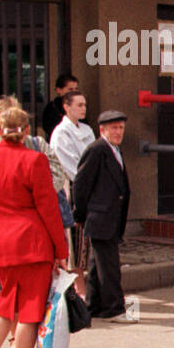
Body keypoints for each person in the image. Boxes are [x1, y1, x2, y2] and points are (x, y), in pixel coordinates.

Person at [0, 107, 69, 348]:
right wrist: (61, 251)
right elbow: (49, 210)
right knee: (30, 306)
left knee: (5, 303)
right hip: (31, 241)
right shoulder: (35, 160)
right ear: (27, 131)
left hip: (0, 238)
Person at [72, 110, 133, 320]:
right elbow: (81, 184)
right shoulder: (97, 150)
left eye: (121, 128)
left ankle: (93, 305)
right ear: (102, 130)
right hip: (100, 216)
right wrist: (79, 214)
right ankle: (114, 308)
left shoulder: (115, 149)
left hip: (111, 217)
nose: (118, 132)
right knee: (109, 265)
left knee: (97, 264)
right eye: (114, 128)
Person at [43, 90, 95, 299]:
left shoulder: (87, 130)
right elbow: (69, 165)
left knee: (86, 243)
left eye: (84, 104)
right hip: (71, 190)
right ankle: (77, 290)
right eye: (79, 105)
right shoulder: (60, 133)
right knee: (73, 244)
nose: (83, 108)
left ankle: (85, 288)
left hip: (89, 189)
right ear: (67, 106)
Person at [40, 73, 81, 141]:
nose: (74, 92)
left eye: (76, 89)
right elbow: (48, 127)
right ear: (59, 90)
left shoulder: (79, 106)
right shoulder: (51, 108)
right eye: (70, 89)